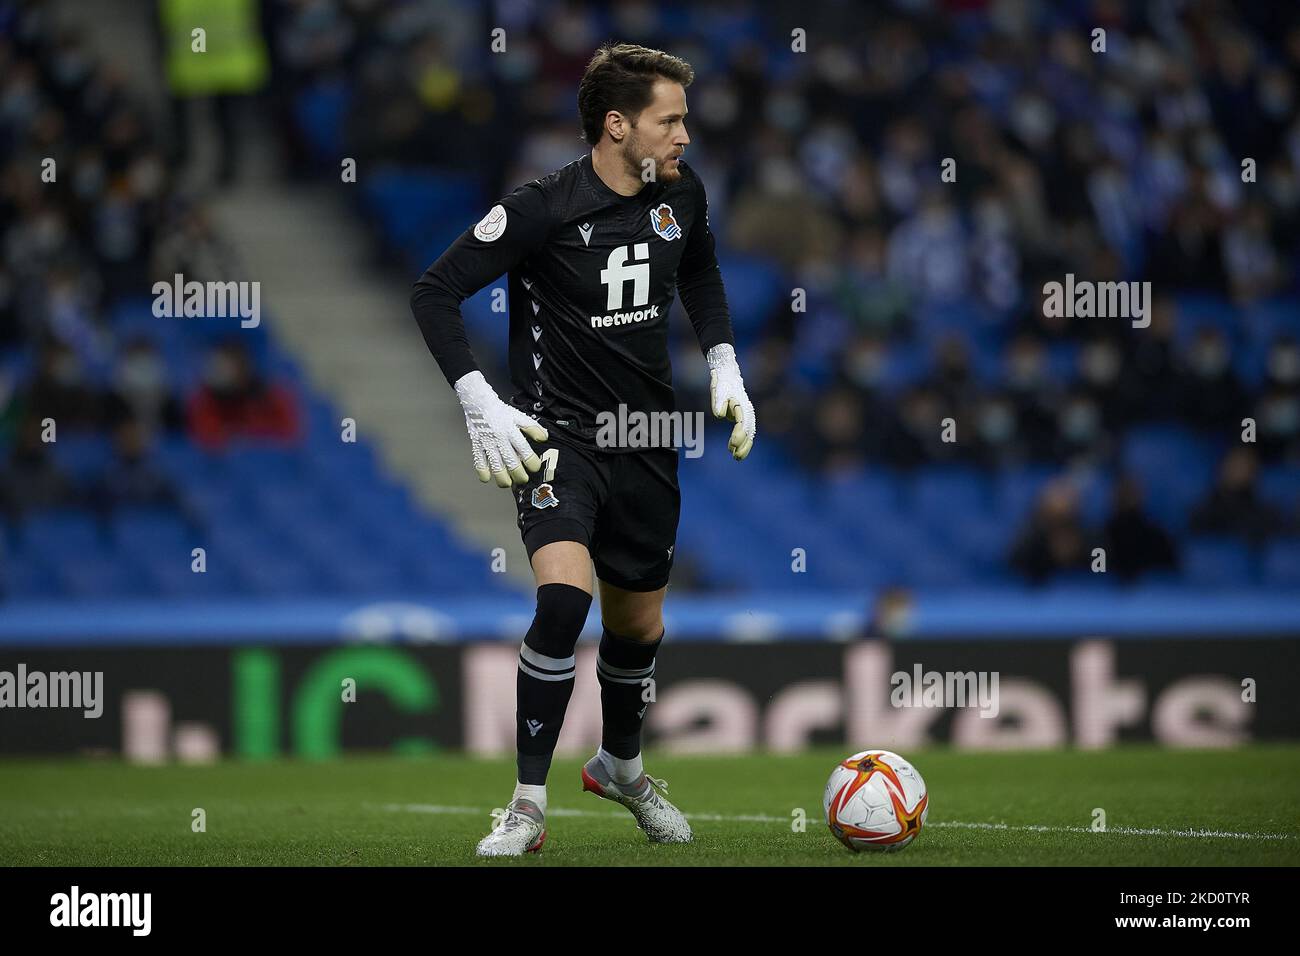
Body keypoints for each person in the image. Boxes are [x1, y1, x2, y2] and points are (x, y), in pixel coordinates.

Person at [411, 43, 756, 856]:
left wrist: (724, 363)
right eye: (669, 121)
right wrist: (477, 400)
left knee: (637, 630)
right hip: (558, 436)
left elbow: (700, 273)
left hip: (647, 441)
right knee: (565, 602)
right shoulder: (542, 208)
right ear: (616, 125)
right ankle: (527, 806)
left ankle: (622, 767)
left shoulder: (683, 194)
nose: (684, 136)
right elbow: (434, 292)